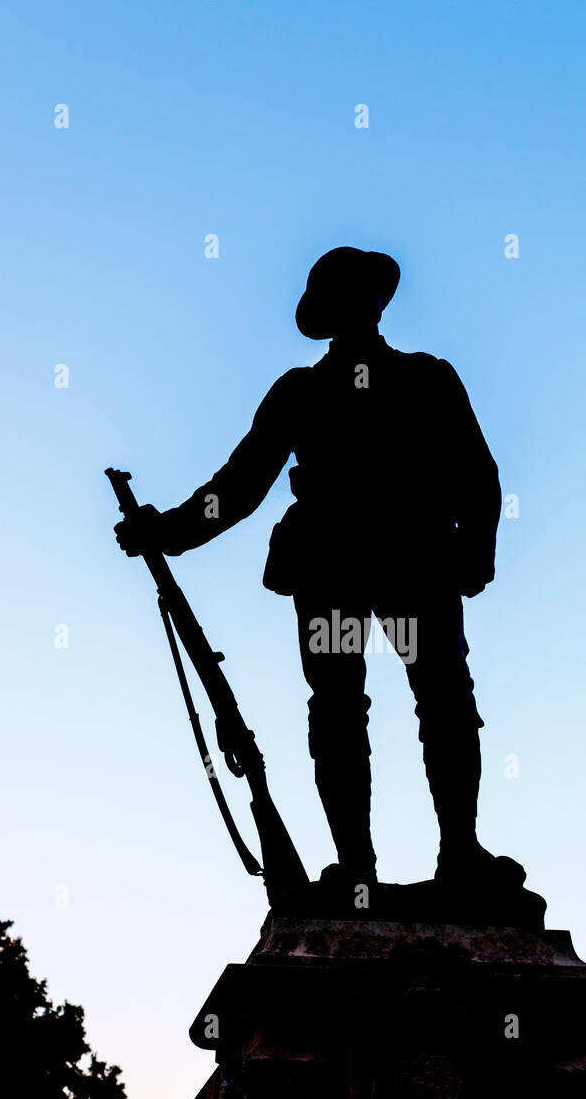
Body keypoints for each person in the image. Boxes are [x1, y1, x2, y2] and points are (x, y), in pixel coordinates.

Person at [116, 247, 519, 892]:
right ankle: (356, 864)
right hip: (332, 568)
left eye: (360, 296)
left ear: (377, 304)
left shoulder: (428, 378)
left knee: (443, 704)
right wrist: (168, 530)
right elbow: (240, 486)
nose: (354, 309)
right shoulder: (299, 394)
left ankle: (460, 853)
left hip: (416, 565)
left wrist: (477, 549)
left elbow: (479, 474)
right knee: (338, 711)